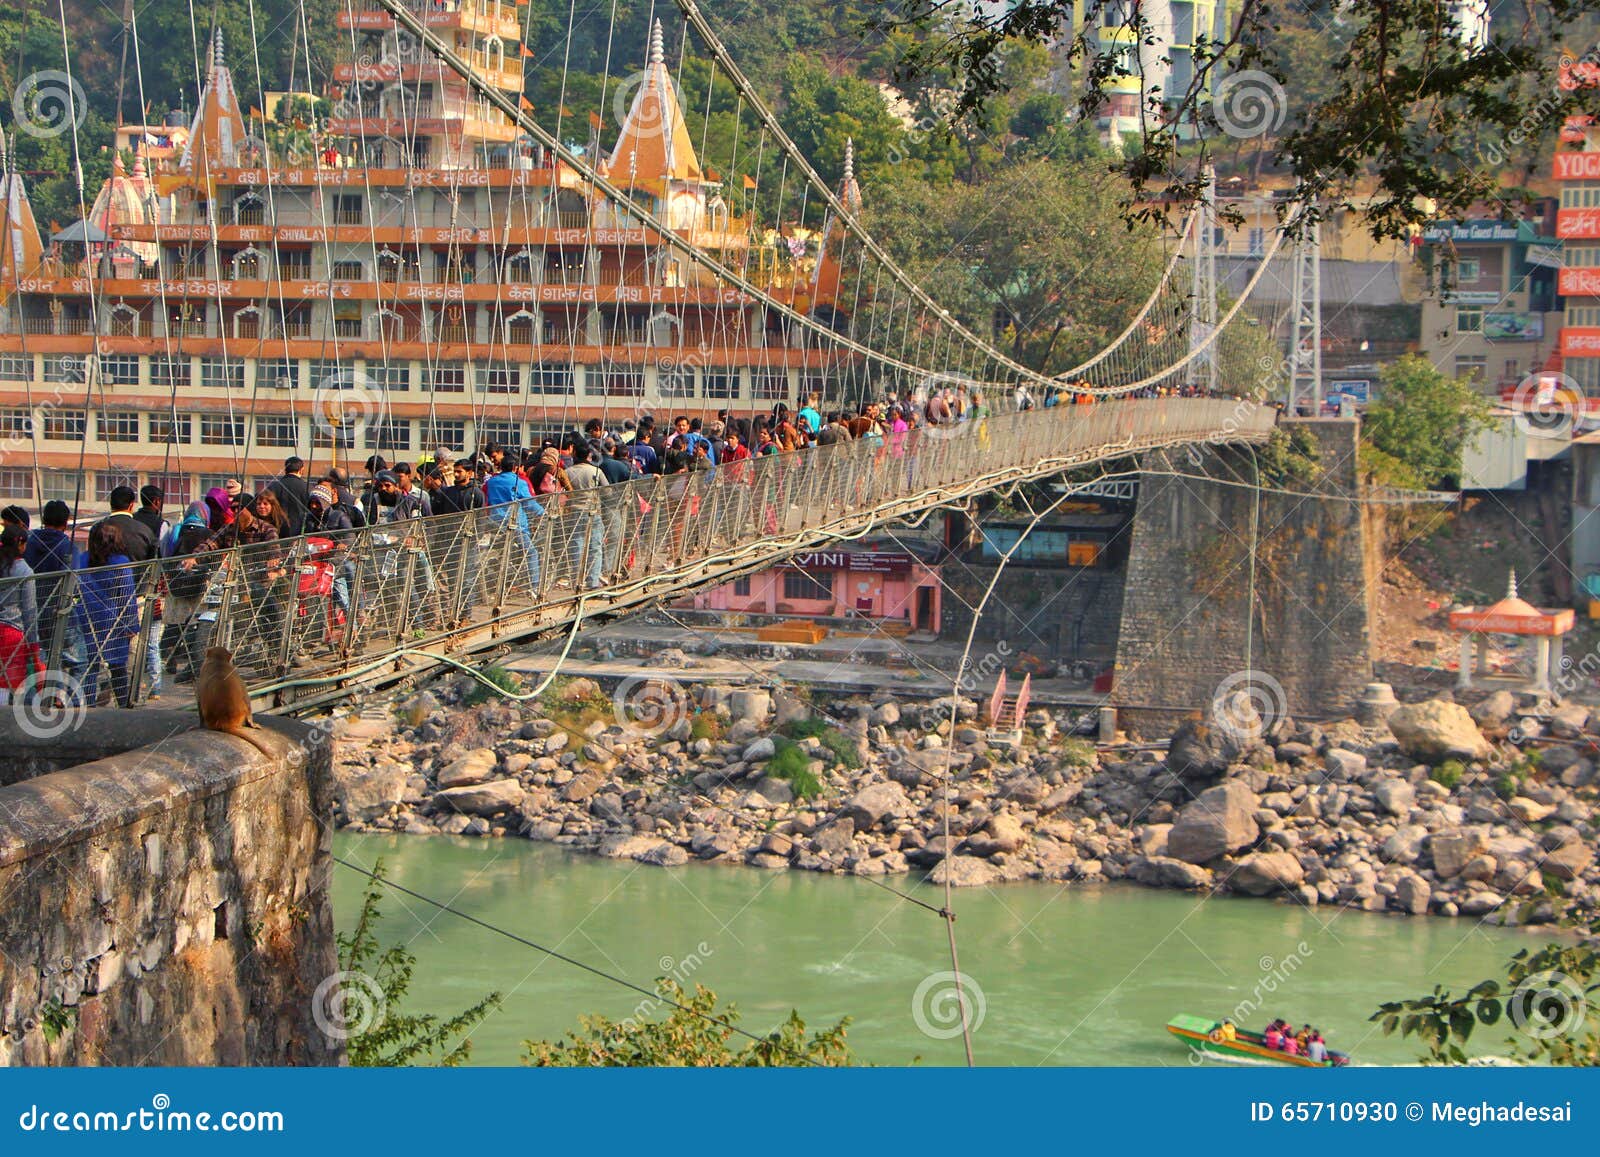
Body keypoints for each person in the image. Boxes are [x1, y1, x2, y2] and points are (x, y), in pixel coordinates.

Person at [73, 522, 138, 707]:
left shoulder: (82, 559)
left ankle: (88, 704)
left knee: (90, 664)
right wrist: (131, 623)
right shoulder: (121, 562)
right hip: (113, 619)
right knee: (118, 665)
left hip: (86, 616)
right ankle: (123, 703)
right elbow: (127, 595)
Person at [484, 456, 543, 595]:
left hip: (493, 522)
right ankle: (533, 587)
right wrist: (542, 512)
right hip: (514, 524)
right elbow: (529, 503)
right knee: (531, 552)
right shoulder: (519, 482)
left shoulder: (492, 482)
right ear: (515, 468)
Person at [25, 500, 74, 668]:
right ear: (65, 522)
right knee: (73, 661)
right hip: (57, 611)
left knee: (36, 660)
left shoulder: (28, 543)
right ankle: (59, 693)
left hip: (29, 609)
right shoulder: (68, 547)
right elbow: (74, 584)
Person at [0, 526, 38, 704]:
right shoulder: (25, 571)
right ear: (21, 544)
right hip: (12, 635)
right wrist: (33, 645)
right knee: (7, 685)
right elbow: (30, 611)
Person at [564, 441, 607, 590]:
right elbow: (607, 491)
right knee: (595, 547)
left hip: (575, 511)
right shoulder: (596, 471)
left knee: (577, 545)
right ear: (589, 455)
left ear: (574, 454)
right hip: (593, 511)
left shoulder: (568, 472)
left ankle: (577, 582)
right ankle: (593, 581)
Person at [98, 484, 157, 563]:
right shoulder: (145, 530)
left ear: (111, 504)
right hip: (139, 574)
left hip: (103, 575)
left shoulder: (97, 528)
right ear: (131, 505)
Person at [268, 455, 313, 537]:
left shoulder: (273, 486)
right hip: (300, 532)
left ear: (285, 469)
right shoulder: (308, 487)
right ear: (301, 470)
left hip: (277, 531)